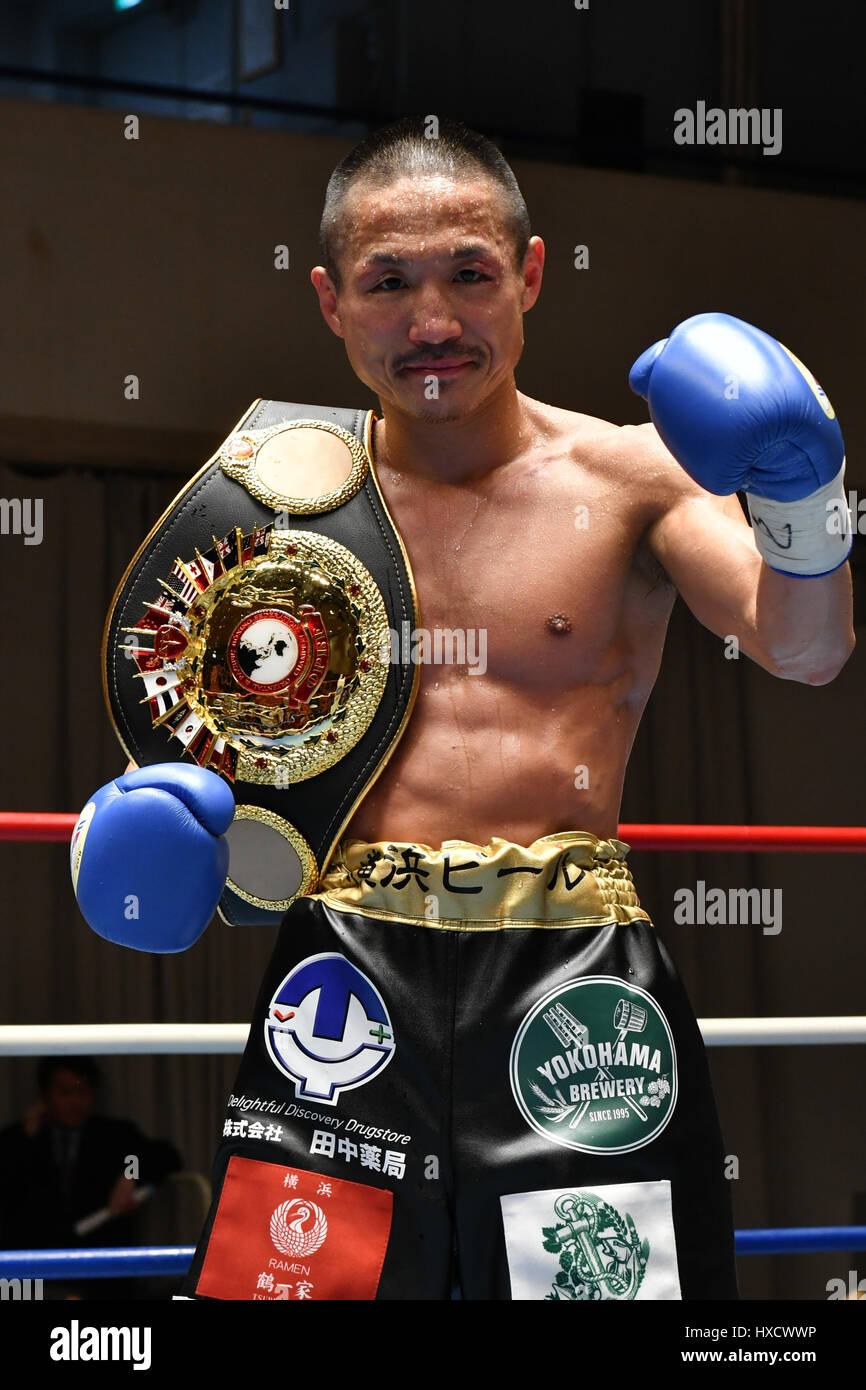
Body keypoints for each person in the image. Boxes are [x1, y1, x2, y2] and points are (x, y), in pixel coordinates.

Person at [73, 117, 854, 1300]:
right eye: (389, 282)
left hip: (574, 986)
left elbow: (804, 649)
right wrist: (128, 844)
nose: (432, 322)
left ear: (529, 276)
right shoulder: (273, 499)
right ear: (332, 301)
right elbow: (195, 762)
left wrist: (803, 496)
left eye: (468, 276)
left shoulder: (633, 475)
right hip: (342, 981)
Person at [0, 1056, 182, 1297]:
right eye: (64, 1092)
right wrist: (25, 1141)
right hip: (35, 1266)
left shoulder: (113, 1135)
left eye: (82, 1091)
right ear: (44, 1096)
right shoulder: (19, 1138)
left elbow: (164, 1156)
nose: (75, 1101)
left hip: (102, 1266)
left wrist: (131, 1176)